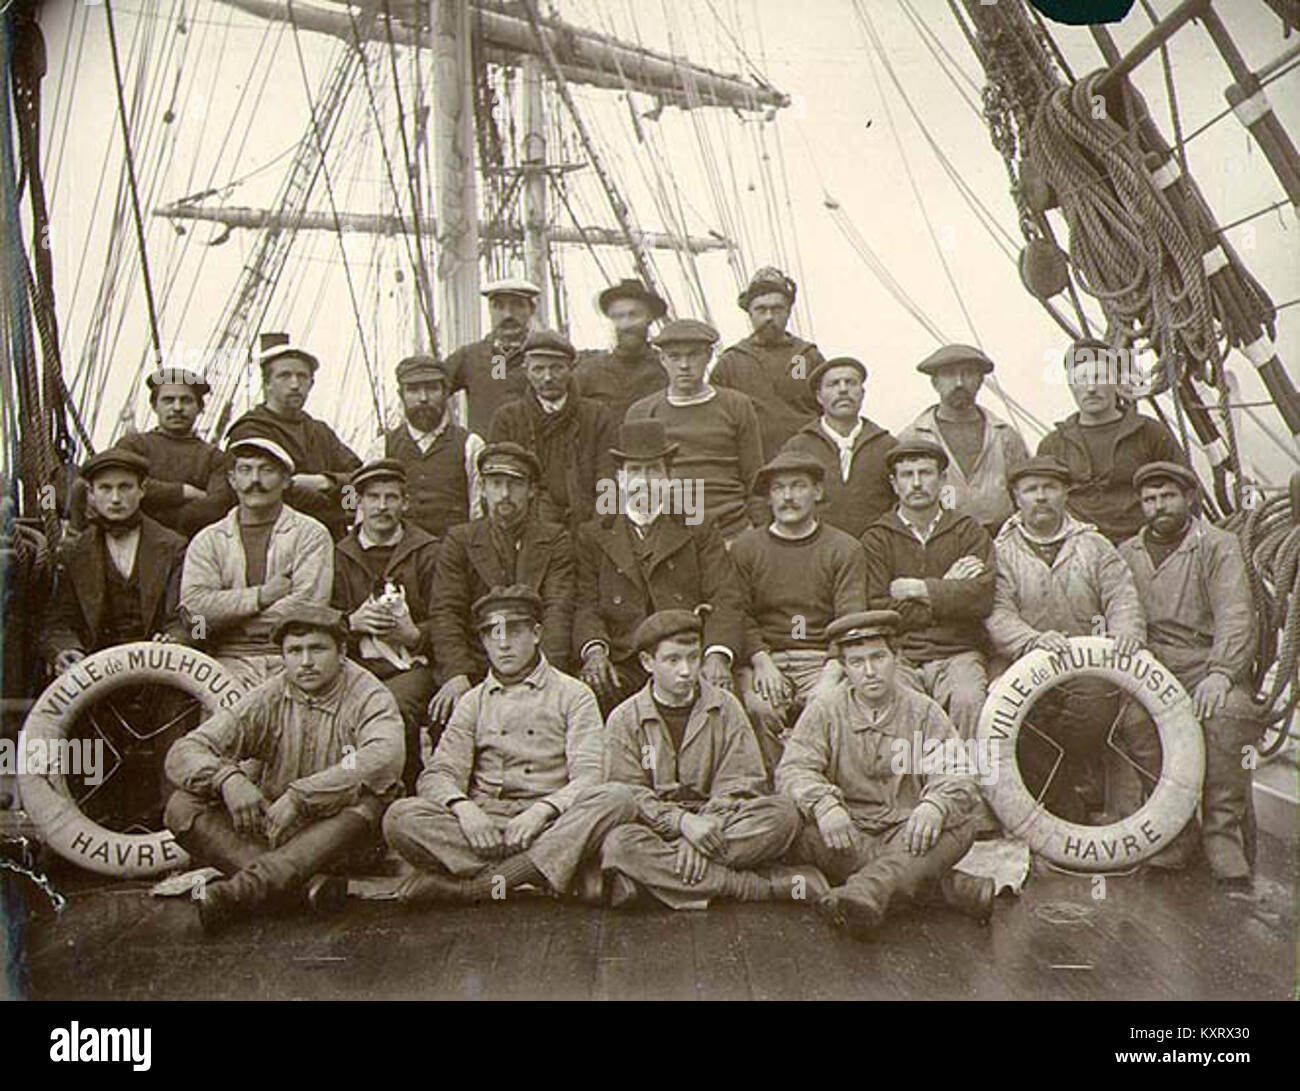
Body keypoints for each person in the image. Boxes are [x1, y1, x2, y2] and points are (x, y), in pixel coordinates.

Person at [382, 585, 636, 905]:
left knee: (618, 797)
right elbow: (439, 773)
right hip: (488, 826)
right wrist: (465, 810)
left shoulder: (573, 694)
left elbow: (589, 774)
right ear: (483, 641)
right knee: (400, 817)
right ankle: (551, 870)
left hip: (550, 821)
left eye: (513, 631)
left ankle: (478, 887)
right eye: (492, 634)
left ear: (536, 633)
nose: (503, 644)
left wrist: (543, 810)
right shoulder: (472, 701)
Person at [163, 604, 404, 934]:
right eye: (294, 651)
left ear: (342, 651)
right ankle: (303, 889)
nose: (305, 661)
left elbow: (381, 757)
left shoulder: (368, 695)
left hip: (341, 833)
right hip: (276, 829)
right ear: (284, 656)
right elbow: (185, 751)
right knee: (181, 806)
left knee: (371, 802)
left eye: (317, 649)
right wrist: (227, 779)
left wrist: (300, 796)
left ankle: (239, 893)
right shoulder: (269, 694)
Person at [777, 610, 994, 940]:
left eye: (878, 657)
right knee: (798, 831)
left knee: (963, 823)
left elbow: (958, 772)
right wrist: (824, 805)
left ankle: (866, 890)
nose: (869, 672)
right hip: (848, 833)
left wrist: (934, 805)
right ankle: (950, 888)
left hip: (910, 833)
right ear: (845, 668)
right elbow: (793, 769)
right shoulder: (825, 710)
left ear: (897, 658)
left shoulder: (923, 711)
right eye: (856, 662)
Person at [599, 610, 816, 909]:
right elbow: (627, 791)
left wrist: (705, 826)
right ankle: (755, 886)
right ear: (648, 663)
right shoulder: (624, 718)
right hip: (657, 828)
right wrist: (681, 823)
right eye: (673, 660)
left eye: (693, 657)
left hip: (721, 824)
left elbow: (742, 780)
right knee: (618, 844)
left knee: (784, 815)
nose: (686, 671)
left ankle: (655, 880)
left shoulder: (725, 706)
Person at [1116, 461, 1260, 886]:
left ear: (1188, 498)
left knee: (1230, 716)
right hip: (1154, 664)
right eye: (1150, 499)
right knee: (1135, 722)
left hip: (1207, 659)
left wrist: (1222, 672)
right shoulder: (1127, 553)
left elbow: (1236, 613)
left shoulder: (1219, 545)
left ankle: (1222, 833)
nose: (1159, 506)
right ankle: (1176, 831)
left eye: (1167, 497)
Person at [985, 455, 1146, 824]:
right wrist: (1032, 640)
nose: (1040, 497)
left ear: (1065, 493)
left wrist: (1126, 635)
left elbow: (1121, 595)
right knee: (1020, 724)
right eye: (1031, 490)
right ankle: (1065, 809)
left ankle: (1077, 784)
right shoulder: (1000, 552)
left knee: (1094, 713)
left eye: (1050, 488)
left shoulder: (1094, 545)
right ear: (1016, 497)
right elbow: (996, 612)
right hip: (1021, 662)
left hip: (1088, 665)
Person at [573, 419, 745, 715]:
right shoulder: (595, 534)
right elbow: (585, 604)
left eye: (653, 470)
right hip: (624, 659)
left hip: (686, 658)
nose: (645, 480)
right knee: (588, 698)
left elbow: (725, 597)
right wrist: (595, 650)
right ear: (620, 478)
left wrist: (716, 654)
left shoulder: (696, 527)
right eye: (635, 471)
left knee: (723, 705)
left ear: (668, 476)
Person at [730, 450, 867, 773]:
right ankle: (775, 795)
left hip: (820, 658)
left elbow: (848, 618)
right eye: (778, 488)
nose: (788, 497)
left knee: (830, 706)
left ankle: (819, 788)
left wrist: (830, 674)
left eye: (798, 486)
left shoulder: (844, 548)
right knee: (756, 708)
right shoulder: (747, 548)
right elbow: (739, 612)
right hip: (766, 659)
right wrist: (760, 660)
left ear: (817, 492)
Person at [428, 443, 574, 730]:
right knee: (449, 719)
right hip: (477, 663)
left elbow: (559, 609)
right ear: (482, 488)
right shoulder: (460, 540)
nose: (505, 494)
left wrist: (545, 677)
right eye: (496, 484)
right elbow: (446, 611)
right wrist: (457, 673)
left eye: (515, 485)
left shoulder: (555, 539)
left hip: (536, 663)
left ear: (532, 490)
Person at [859, 441, 993, 740]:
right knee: (898, 705)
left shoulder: (967, 531)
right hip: (902, 653)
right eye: (907, 475)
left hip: (959, 651)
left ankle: (966, 782)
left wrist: (918, 589)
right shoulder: (877, 538)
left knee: (969, 699)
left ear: (943, 479)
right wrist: (947, 589)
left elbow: (980, 598)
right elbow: (878, 609)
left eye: (926, 473)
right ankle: (914, 785)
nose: (917, 483)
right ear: (894, 483)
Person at [180, 437, 333, 689]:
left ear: (285, 481)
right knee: (221, 722)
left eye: (267, 470)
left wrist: (228, 619)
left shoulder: (311, 534)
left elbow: (309, 608)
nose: (255, 481)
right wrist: (260, 597)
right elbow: (194, 609)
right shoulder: (208, 540)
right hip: (225, 659)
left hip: (292, 657)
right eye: (245, 470)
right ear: (232, 480)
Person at [330, 460, 440, 793]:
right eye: (373, 497)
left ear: (405, 503)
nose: (382, 506)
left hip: (413, 667)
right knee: (340, 708)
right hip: (356, 664)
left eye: (391, 497)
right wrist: (352, 623)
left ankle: (400, 788)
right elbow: (320, 618)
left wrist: (416, 634)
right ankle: (349, 787)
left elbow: (450, 618)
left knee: (393, 705)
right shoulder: (339, 554)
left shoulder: (428, 551)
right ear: (358, 503)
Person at [41, 449, 188, 673]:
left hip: (158, 671)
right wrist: (65, 650)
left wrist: (176, 639)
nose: (116, 499)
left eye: (125, 487)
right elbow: (58, 623)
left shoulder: (174, 547)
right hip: (97, 672)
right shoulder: (74, 553)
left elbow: (191, 618)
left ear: (142, 490)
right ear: (90, 493)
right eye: (105, 488)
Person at [625, 318, 766, 543]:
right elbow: (632, 483)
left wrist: (759, 533)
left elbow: (754, 477)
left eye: (693, 355)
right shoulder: (643, 411)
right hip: (668, 534)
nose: (684, 365)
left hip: (731, 530)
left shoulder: (736, 405)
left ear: (709, 356)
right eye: (674, 356)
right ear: (662, 359)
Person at [1037, 339, 1186, 545]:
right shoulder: (1053, 445)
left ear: (1116, 381)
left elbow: (1185, 490)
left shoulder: (1149, 432)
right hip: (1077, 549)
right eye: (1082, 379)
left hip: (1143, 545)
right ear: (1071, 385)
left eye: (1100, 377)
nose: (1091, 388)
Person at [226, 336, 362, 540]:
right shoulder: (250, 431)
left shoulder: (319, 432)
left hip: (330, 536)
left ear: (311, 383)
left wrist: (326, 482)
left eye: (302, 377)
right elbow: (266, 490)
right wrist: (337, 506)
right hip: (274, 538)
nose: (295, 384)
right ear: (267, 384)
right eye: (284, 376)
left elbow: (361, 481)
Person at [488, 329, 616, 529]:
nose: (548, 377)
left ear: (571, 368)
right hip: (528, 531)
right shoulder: (507, 419)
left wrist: (600, 527)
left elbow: (607, 480)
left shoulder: (597, 416)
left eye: (557, 368)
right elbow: (503, 486)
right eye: (538, 369)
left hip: (587, 528)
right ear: (526, 372)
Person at [898, 344, 1029, 536]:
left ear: (980, 381)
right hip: (938, 541)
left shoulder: (1004, 435)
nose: (959, 383)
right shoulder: (913, 437)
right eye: (949, 375)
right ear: (935, 383)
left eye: (968, 374)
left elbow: (1024, 492)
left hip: (1001, 540)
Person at [363, 354, 483, 539]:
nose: (423, 398)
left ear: (446, 392)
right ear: (400, 395)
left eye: (432, 389)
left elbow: (479, 516)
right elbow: (360, 509)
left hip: (454, 558)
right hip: (400, 558)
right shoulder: (381, 448)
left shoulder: (471, 445)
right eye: (413, 390)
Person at [711, 266, 824, 459]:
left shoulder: (805, 356)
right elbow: (715, 421)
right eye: (761, 310)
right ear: (750, 314)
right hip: (753, 462)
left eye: (777, 309)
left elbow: (828, 409)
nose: (769, 317)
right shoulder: (731, 362)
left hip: (806, 460)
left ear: (788, 312)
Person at [780, 355, 894, 537]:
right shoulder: (799, 447)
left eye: (850, 383)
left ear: (862, 393)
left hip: (875, 553)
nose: (843, 390)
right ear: (819, 396)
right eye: (833, 384)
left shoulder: (887, 446)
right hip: (815, 553)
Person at [112, 367, 233, 537]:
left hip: (190, 546)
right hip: (132, 540)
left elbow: (215, 507)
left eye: (186, 401)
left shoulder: (214, 457)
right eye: (168, 400)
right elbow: (121, 487)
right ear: (154, 406)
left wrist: (155, 507)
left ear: (200, 407)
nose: (177, 408)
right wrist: (184, 492)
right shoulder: (134, 446)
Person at [446, 277, 540, 436]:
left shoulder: (546, 355)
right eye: (499, 306)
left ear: (531, 309)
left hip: (536, 454)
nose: (508, 314)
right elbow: (431, 388)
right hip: (489, 454)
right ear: (489, 310)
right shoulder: (471, 357)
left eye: (517, 305)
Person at [573, 278, 669, 421]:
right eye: (618, 317)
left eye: (634, 315)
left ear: (649, 318)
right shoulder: (589, 372)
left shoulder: (667, 369)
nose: (626, 325)